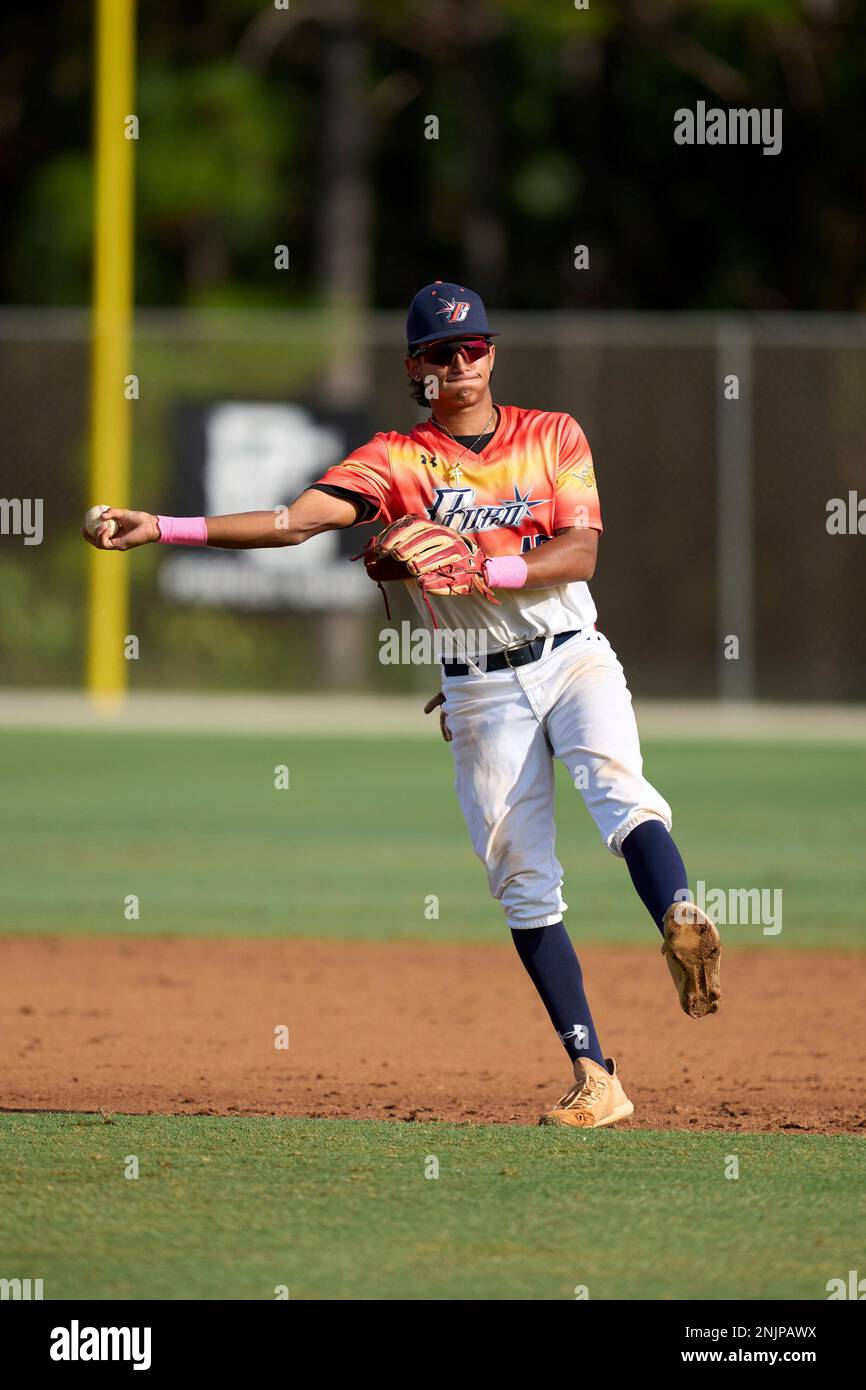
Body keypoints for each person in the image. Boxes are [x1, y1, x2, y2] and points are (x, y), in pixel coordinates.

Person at [82, 280, 721, 1128]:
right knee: (523, 881)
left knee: (622, 795)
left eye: (475, 346)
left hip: (573, 657)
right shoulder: (394, 460)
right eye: (443, 352)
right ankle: (594, 1075)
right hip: (480, 686)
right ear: (416, 367)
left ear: (492, 352)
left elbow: (579, 554)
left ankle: (680, 917)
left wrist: (486, 568)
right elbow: (289, 524)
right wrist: (164, 527)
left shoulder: (553, 435)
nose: (463, 362)